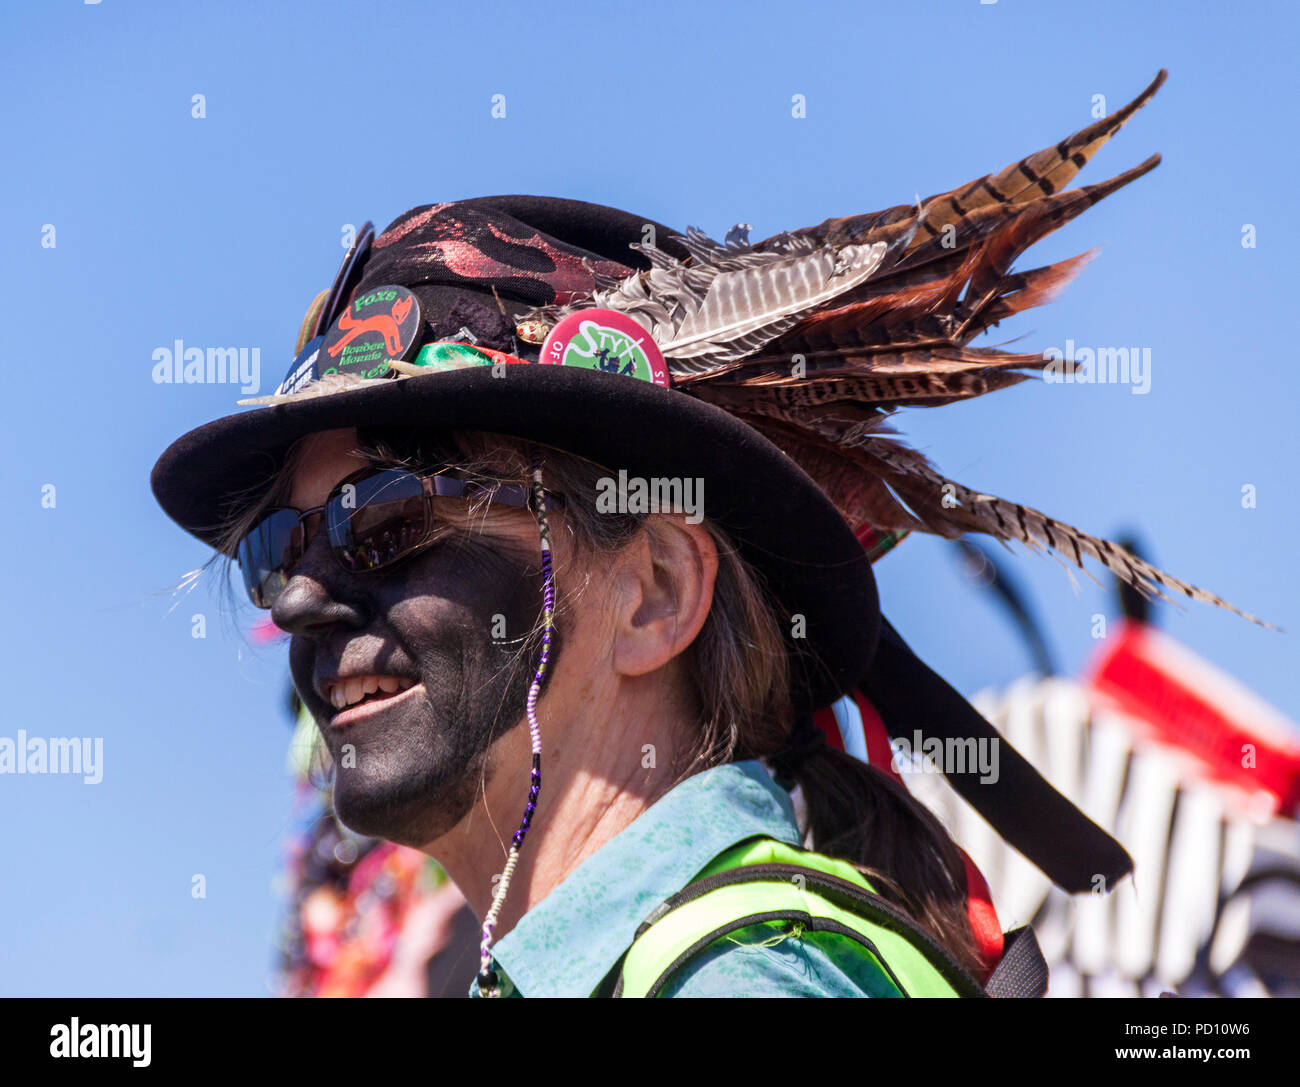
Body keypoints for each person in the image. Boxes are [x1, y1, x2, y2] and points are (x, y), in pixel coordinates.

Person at [151, 73, 1263, 997]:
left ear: (654, 591)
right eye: (278, 552)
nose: (302, 597)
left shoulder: (739, 977)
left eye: (382, 521)